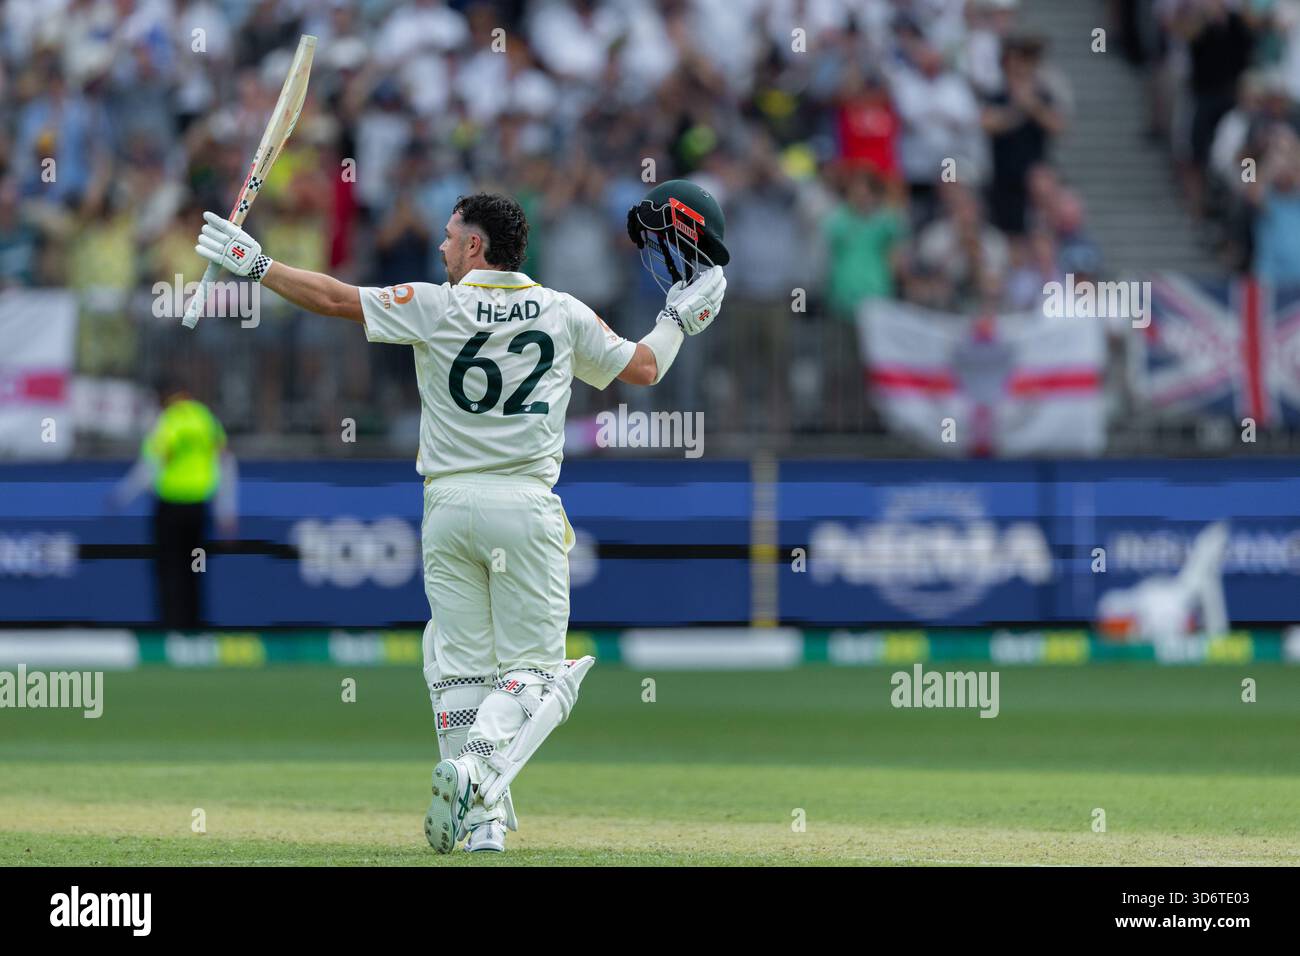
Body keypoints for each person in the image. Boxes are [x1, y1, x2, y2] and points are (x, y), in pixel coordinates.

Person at [192, 188, 727, 853]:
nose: (441, 246)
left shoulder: (436, 305)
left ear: (477, 246)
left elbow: (333, 299)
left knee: (460, 674)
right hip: (523, 506)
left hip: (446, 508)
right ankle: (476, 776)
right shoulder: (561, 312)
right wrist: (676, 316)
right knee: (539, 678)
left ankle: (484, 828)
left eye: (450, 236)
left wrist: (258, 265)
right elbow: (644, 368)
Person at [110, 383, 238, 629]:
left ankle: (172, 626)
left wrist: (122, 496)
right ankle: (195, 625)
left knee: (170, 568)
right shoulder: (205, 419)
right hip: (199, 507)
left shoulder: (166, 422)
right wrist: (227, 510)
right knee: (196, 567)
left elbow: (150, 467)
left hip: (170, 507)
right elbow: (226, 464)